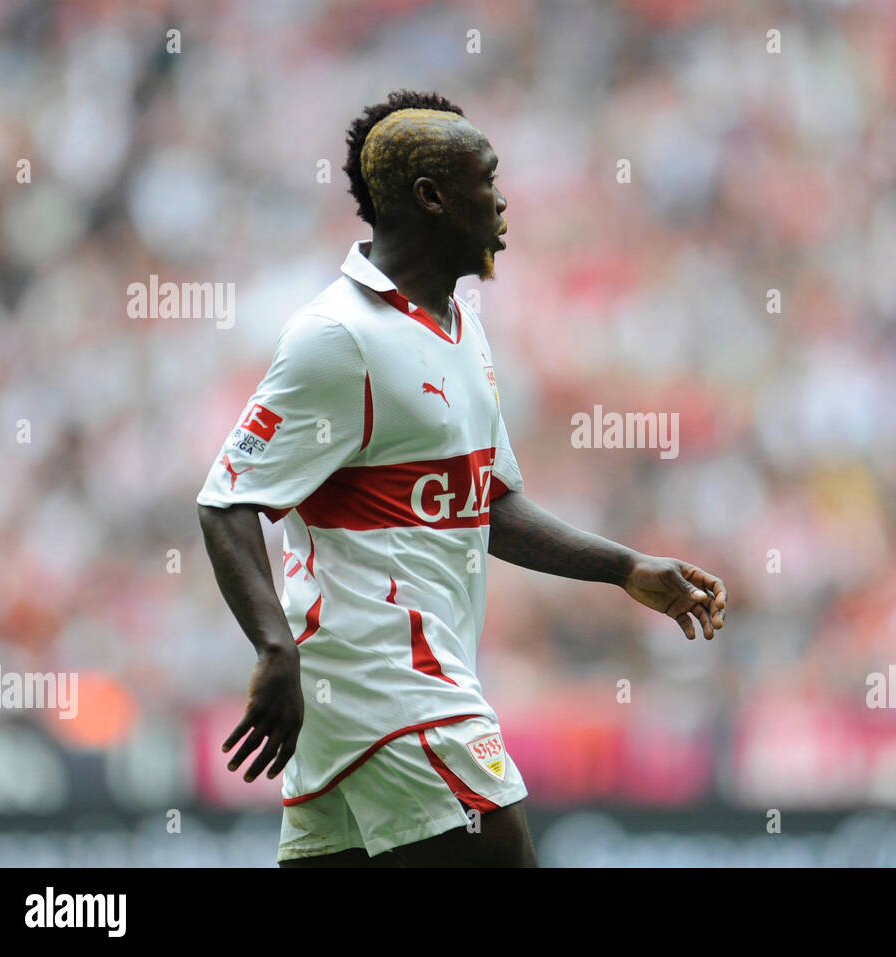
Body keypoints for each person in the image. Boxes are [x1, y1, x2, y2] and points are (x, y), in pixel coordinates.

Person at [196, 90, 727, 867]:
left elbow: (492, 507)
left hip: (363, 707)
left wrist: (625, 567)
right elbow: (226, 501)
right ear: (432, 196)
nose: (504, 199)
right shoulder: (338, 336)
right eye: (488, 178)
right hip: (393, 682)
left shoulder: (459, 325)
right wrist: (274, 648)